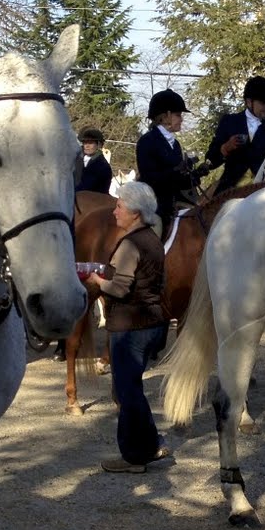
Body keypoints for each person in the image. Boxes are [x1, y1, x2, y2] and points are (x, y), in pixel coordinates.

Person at [87, 181, 170, 473]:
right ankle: (150, 445)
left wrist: (97, 281)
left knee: (126, 393)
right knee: (132, 389)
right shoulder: (153, 240)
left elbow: (119, 289)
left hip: (129, 326)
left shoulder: (130, 244)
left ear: (135, 212)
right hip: (153, 322)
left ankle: (134, 456)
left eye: (119, 206)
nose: (115, 211)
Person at [203, 75, 265, 194]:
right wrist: (225, 148)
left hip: (263, 191)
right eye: (263, 103)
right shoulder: (229, 122)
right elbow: (211, 160)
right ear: (249, 102)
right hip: (230, 190)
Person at [134, 88, 198, 228]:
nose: (181, 119)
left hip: (175, 205)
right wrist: (176, 171)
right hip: (155, 206)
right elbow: (149, 179)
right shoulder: (147, 141)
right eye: (178, 115)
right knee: (156, 231)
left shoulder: (175, 144)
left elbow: (179, 182)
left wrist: (195, 174)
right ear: (166, 116)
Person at [74, 126, 113, 194]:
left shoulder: (103, 166)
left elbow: (86, 187)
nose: (87, 146)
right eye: (85, 142)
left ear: (99, 145)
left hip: (92, 200)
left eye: (90, 143)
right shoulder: (77, 159)